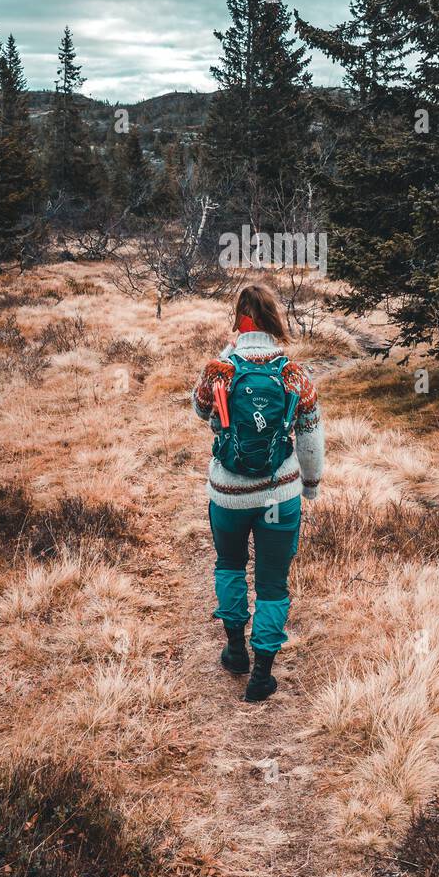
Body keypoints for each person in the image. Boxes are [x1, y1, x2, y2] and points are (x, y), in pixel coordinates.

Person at [192, 282, 324, 702]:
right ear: (273, 320)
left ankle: (235, 651)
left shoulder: (220, 368)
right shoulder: (293, 372)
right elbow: (310, 436)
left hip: (227, 494)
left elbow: (198, 410)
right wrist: (310, 485)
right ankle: (261, 674)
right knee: (272, 583)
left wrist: (223, 361)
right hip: (277, 496)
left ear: (239, 319)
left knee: (229, 565)